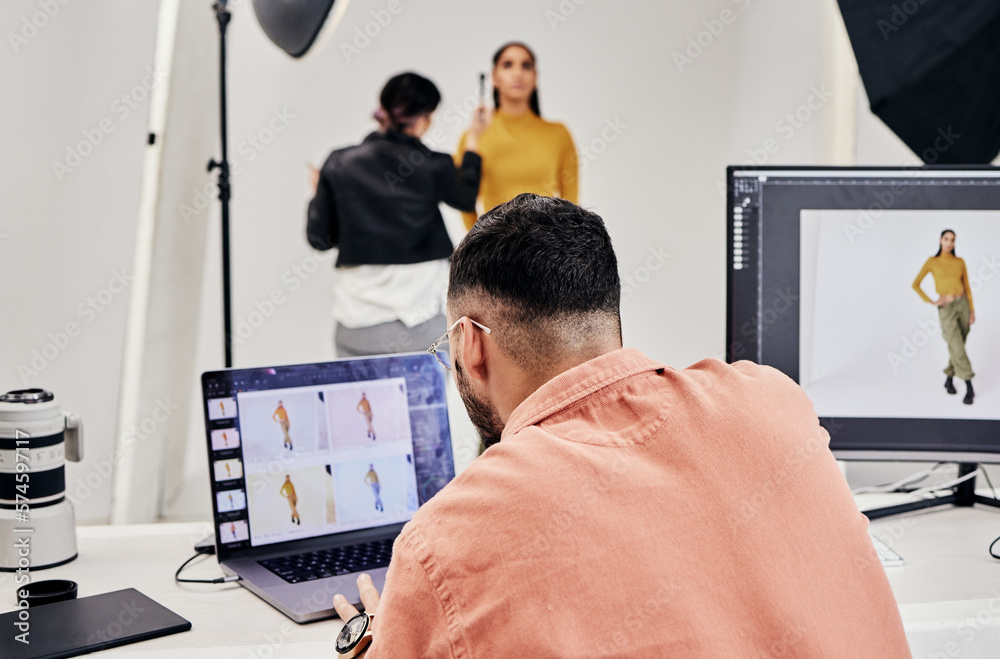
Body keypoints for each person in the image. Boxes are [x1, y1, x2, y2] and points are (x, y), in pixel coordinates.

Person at [331, 194, 910, 658]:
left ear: (469, 344)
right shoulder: (774, 402)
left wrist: (387, 634)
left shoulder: (445, 543)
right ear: (606, 314)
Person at [308, 72, 488, 358]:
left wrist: (321, 195)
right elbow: (465, 197)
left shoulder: (339, 163)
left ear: (383, 109)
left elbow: (320, 239)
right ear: (424, 119)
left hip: (358, 324)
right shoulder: (434, 165)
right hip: (425, 322)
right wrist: (474, 140)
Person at [455, 43, 578, 231]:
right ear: (494, 77)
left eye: (526, 66)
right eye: (508, 65)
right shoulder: (473, 137)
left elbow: (572, 203)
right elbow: (464, 199)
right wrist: (479, 242)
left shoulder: (558, 134)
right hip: (496, 242)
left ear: (535, 77)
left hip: (546, 242)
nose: (518, 73)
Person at [912, 229, 976, 404]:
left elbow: (967, 286)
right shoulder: (932, 262)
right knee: (957, 346)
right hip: (947, 308)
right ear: (940, 240)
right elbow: (916, 284)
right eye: (946, 239)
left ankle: (949, 378)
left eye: (952, 240)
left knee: (958, 345)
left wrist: (972, 310)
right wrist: (932, 301)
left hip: (963, 305)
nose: (949, 242)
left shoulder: (959, 261)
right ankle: (969, 384)